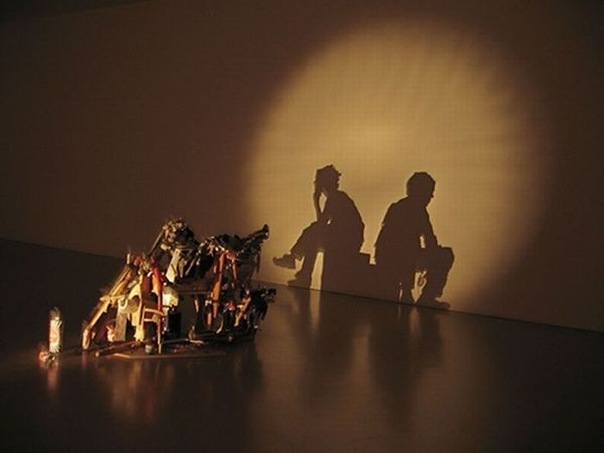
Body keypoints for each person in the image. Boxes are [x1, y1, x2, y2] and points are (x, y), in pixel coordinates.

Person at [273, 165, 364, 288]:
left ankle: (296, 263)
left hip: (347, 241)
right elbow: (322, 224)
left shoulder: (336, 198)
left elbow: (321, 223)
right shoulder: (337, 197)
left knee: (313, 232)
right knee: (313, 239)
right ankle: (302, 272)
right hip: (344, 239)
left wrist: (316, 201)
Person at [374, 172, 453, 308]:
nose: (431, 197)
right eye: (430, 192)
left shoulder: (400, 207)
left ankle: (415, 293)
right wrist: (407, 288)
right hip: (393, 259)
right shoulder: (415, 210)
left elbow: (428, 240)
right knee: (445, 255)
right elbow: (408, 246)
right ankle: (426, 297)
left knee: (417, 250)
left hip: (390, 258)